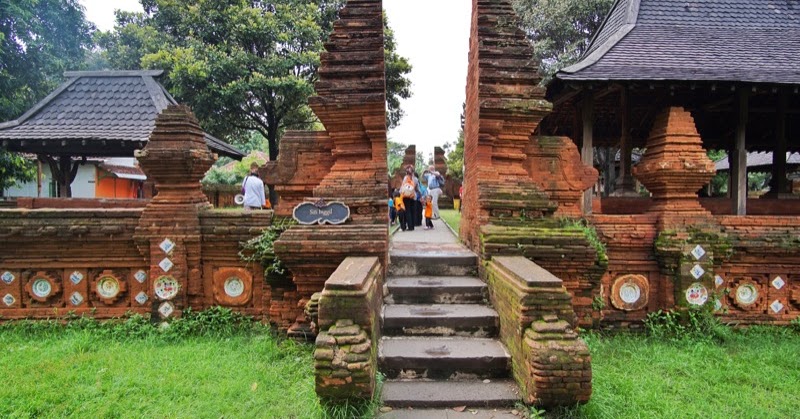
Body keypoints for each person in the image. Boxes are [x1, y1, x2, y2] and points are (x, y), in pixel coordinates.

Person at [399, 165, 418, 231]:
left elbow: (403, 186)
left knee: (408, 211)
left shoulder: (406, 178)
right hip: (413, 196)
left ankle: (409, 226)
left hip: (406, 196)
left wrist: (400, 193)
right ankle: (412, 226)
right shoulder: (415, 179)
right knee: (412, 211)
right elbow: (416, 188)